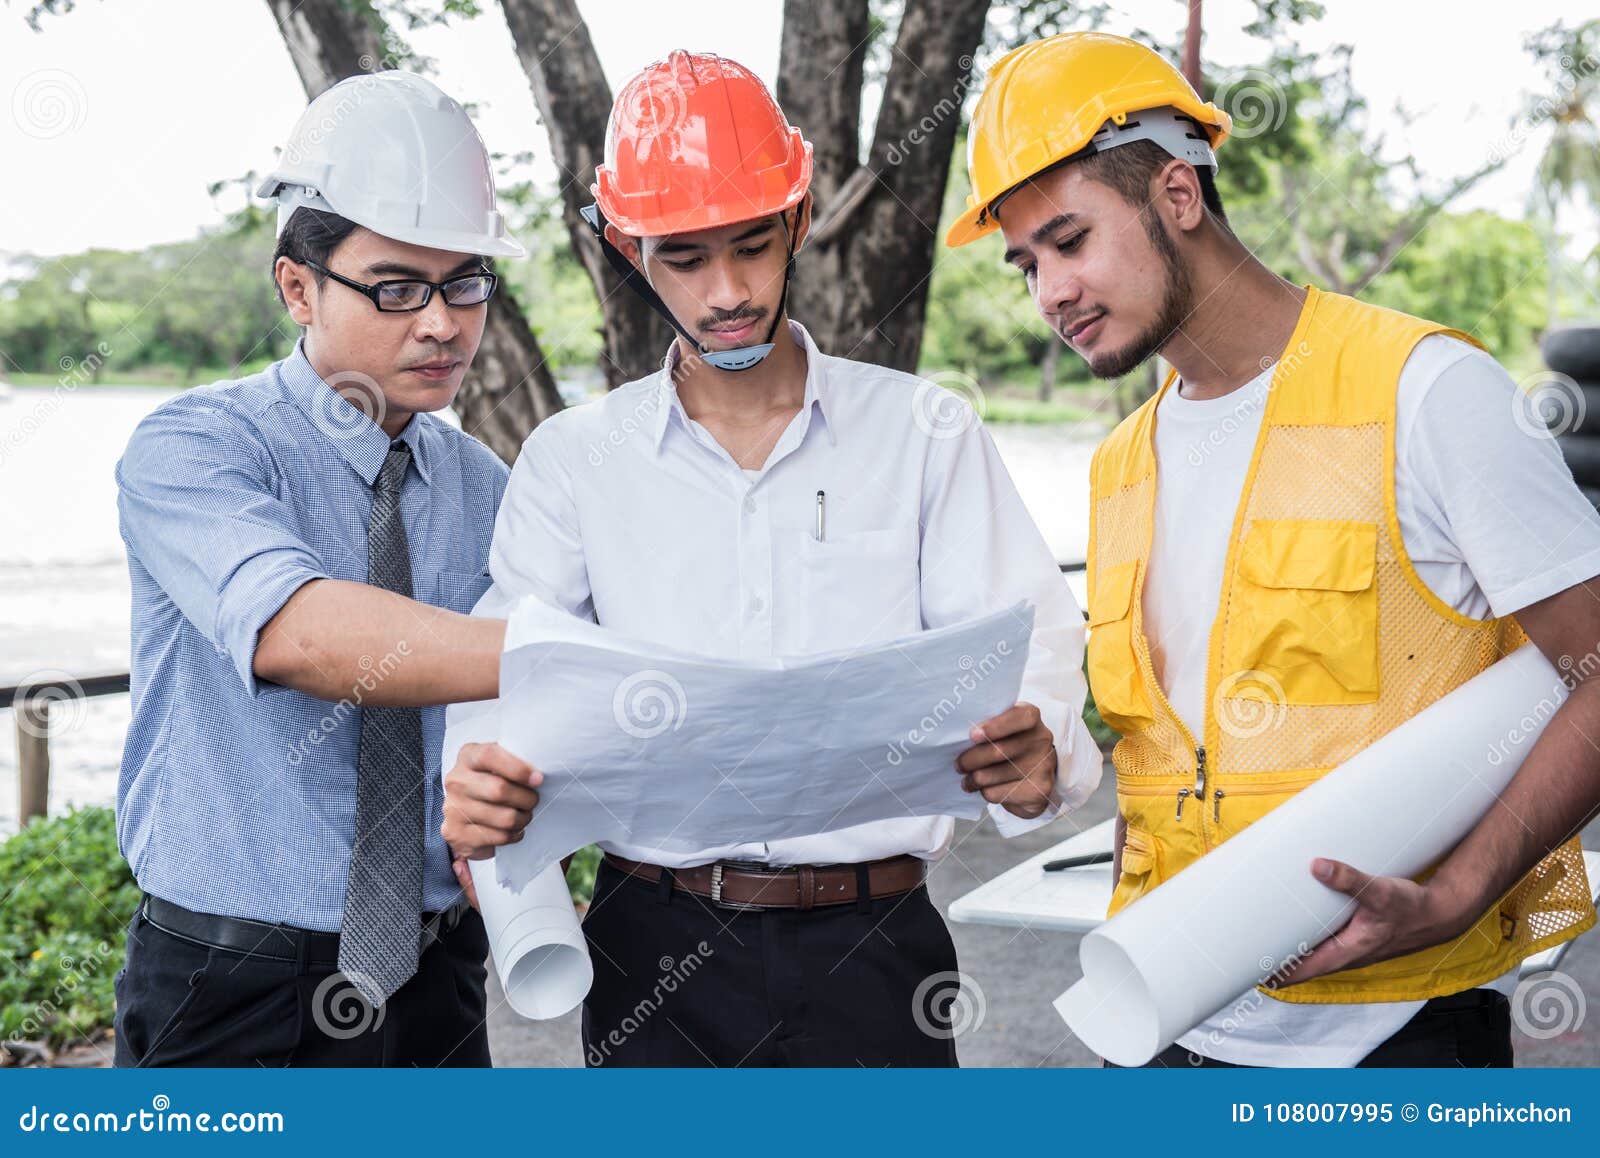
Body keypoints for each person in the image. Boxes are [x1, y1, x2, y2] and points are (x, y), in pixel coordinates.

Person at [951, 30, 1600, 1067]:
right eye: (1025, 263)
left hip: (1394, 1041)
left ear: (1176, 195)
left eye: (1069, 241)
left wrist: (1462, 887)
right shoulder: (1122, 465)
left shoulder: (1422, 392)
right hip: (1168, 1021)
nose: (1049, 293)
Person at [444, 50, 1102, 1067]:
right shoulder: (575, 462)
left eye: (752, 246)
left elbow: (1033, 654)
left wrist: (1040, 746)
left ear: (797, 220)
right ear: (625, 247)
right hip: (649, 949)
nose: (728, 294)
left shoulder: (924, 433)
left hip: (877, 949)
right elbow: (501, 674)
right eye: (684, 259)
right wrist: (482, 777)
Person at [113, 71, 541, 1067]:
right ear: (297, 286)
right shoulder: (194, 448)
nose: (442, 323)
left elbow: (503, 718)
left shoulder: (484, 487)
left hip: (435, 981)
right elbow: (304, 634)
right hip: (228, 991)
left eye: (466, 281)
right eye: (396, 288)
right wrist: (582, 653)